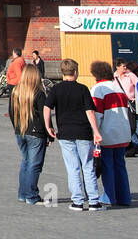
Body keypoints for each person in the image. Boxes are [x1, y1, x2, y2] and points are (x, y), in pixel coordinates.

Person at [43, 58, 104, 210]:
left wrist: (48, 126)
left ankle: (77, 201)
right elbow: (89, 111)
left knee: (73, 168)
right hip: (83, 132)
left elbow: (46, 108)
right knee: (88, 166)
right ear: (75, 72)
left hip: (65, 132)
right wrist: (96, 131)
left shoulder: (56, 89)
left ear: (62, 72)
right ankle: (93, 201)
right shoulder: (83, 89)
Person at [89, 61, 132, 208]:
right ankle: (124, 196)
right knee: (120, 165)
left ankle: (109, 196)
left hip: (107, 133)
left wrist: (95, 132)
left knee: (107, 165)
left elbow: (97, 114)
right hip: (123, 132)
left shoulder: (98, 89)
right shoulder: (118, 88)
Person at [8, 63, 49, 204]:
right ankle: (31, 196)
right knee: (34, 165)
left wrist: (17, 128)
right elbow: (44, 117)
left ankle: (22, 193)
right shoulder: (38, 93)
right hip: (36, 133)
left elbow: (12, 112)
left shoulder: (15, 91)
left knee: (26, 162)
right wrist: (49, 134)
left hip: (21, 131)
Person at [114, 60, 138, 155]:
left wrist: (136, 98)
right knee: (121, 126)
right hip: (119, 106)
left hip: (130, 105)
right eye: (122, 66)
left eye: (125, 66)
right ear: (117, 67)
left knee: (132, 127)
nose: (125, 68)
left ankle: (131, 145)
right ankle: (128, 147)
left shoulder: (130, 75)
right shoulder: (114, 77)